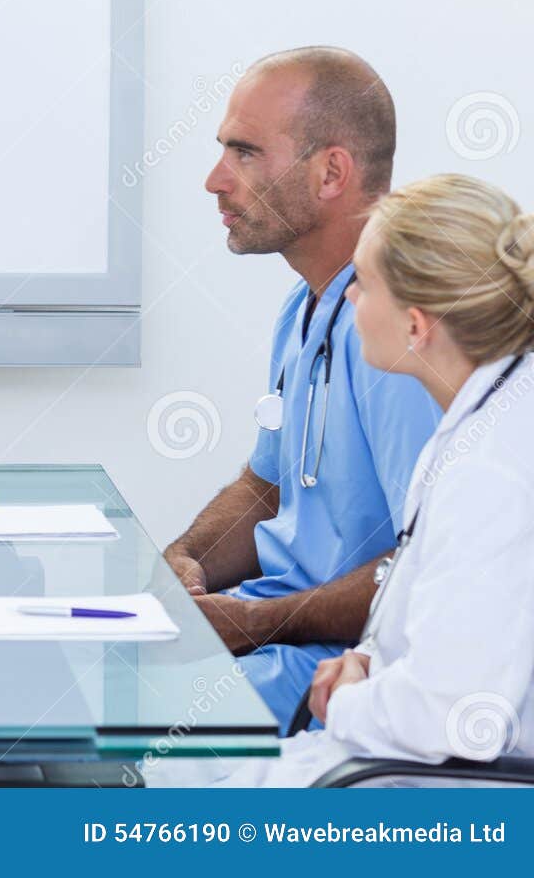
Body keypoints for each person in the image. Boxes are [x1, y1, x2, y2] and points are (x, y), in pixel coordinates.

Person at [150, 173, 534, 786]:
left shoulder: (490, 471)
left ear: (417, 325)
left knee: (154, 788)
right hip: (390, 743)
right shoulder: (484, 419)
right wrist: (368, 656)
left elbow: (449, 713)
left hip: (427, 785)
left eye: (365, 285)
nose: (348, 299)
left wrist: (349, 694)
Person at [161, 48, 440, 731]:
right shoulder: (306, 306)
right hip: (271, 634)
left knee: (77, 725)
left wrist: (256, 622)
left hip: (321, 665)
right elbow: (268, 487)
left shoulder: (396, 330)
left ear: (331, 173)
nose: (214, 180)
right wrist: (183, 559)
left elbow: (425, 559)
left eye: (246, 153)